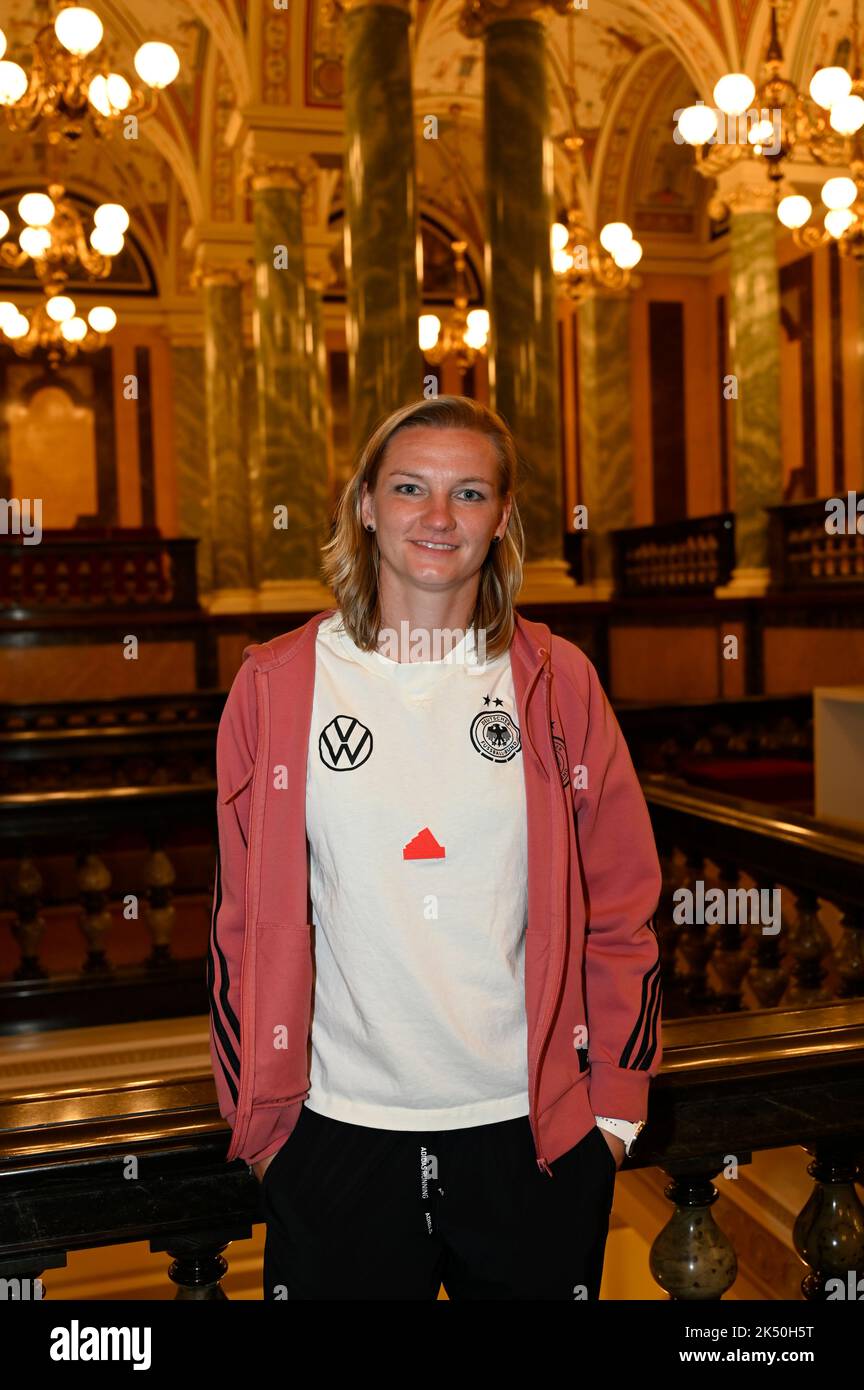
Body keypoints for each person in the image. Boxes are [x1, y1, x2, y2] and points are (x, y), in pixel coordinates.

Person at [208, 394, 662, 1300]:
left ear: (501, 521)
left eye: (470, 493)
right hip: (336, 1133)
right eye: (411, 487)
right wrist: (263, 1127)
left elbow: (621, 905)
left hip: (530, 1134)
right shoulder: (276, 685)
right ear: (365, 504)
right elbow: (239, 930)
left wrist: (612, 1110)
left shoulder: (556, 683)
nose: (439, 517)